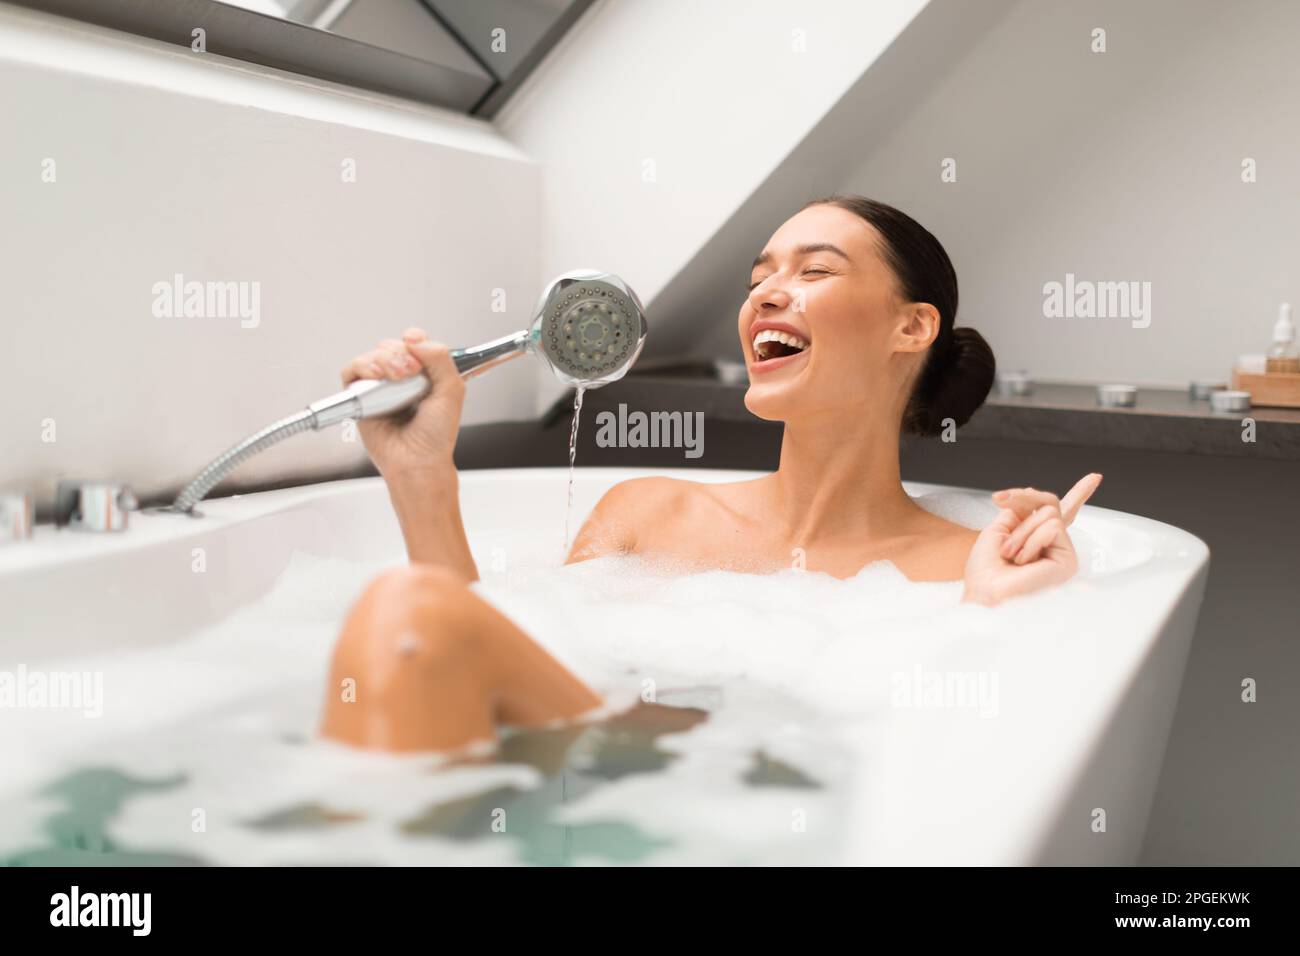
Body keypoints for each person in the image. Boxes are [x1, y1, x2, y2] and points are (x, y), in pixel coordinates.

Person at [319, 195, 1101, 753]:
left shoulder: (961, 569)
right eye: (759, 276)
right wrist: (422, 476)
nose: (766, 292)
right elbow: (483, 670)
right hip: (586, 793)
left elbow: (945, 756)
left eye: (814, 271)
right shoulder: (649, 512)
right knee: (405, 606)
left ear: (912, 326)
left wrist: (995, 613)